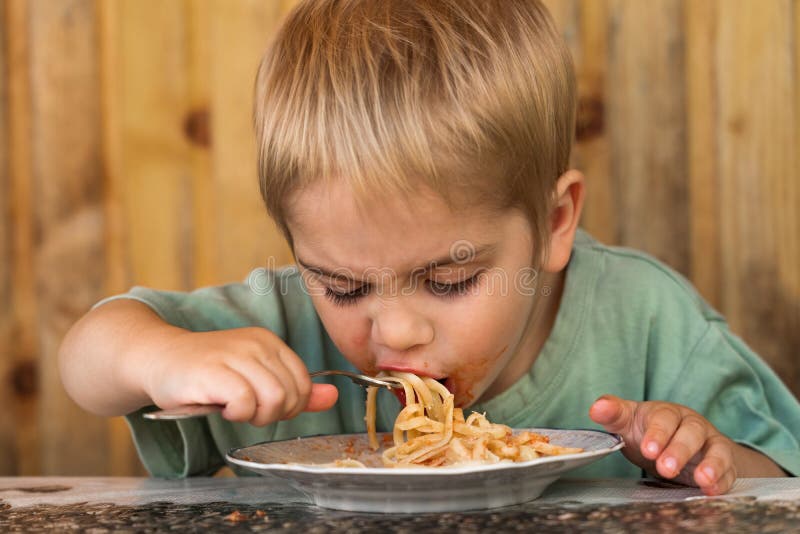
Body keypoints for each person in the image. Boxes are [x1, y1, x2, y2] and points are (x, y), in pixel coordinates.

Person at [58, 0, 798, 493]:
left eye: (448, 281)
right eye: (343, 286)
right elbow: (88, 356)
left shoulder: (646, 320)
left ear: (556, 221)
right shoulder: (280, 328)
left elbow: (781, 482)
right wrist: (158, 358)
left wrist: (706, 464)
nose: (396, 331)